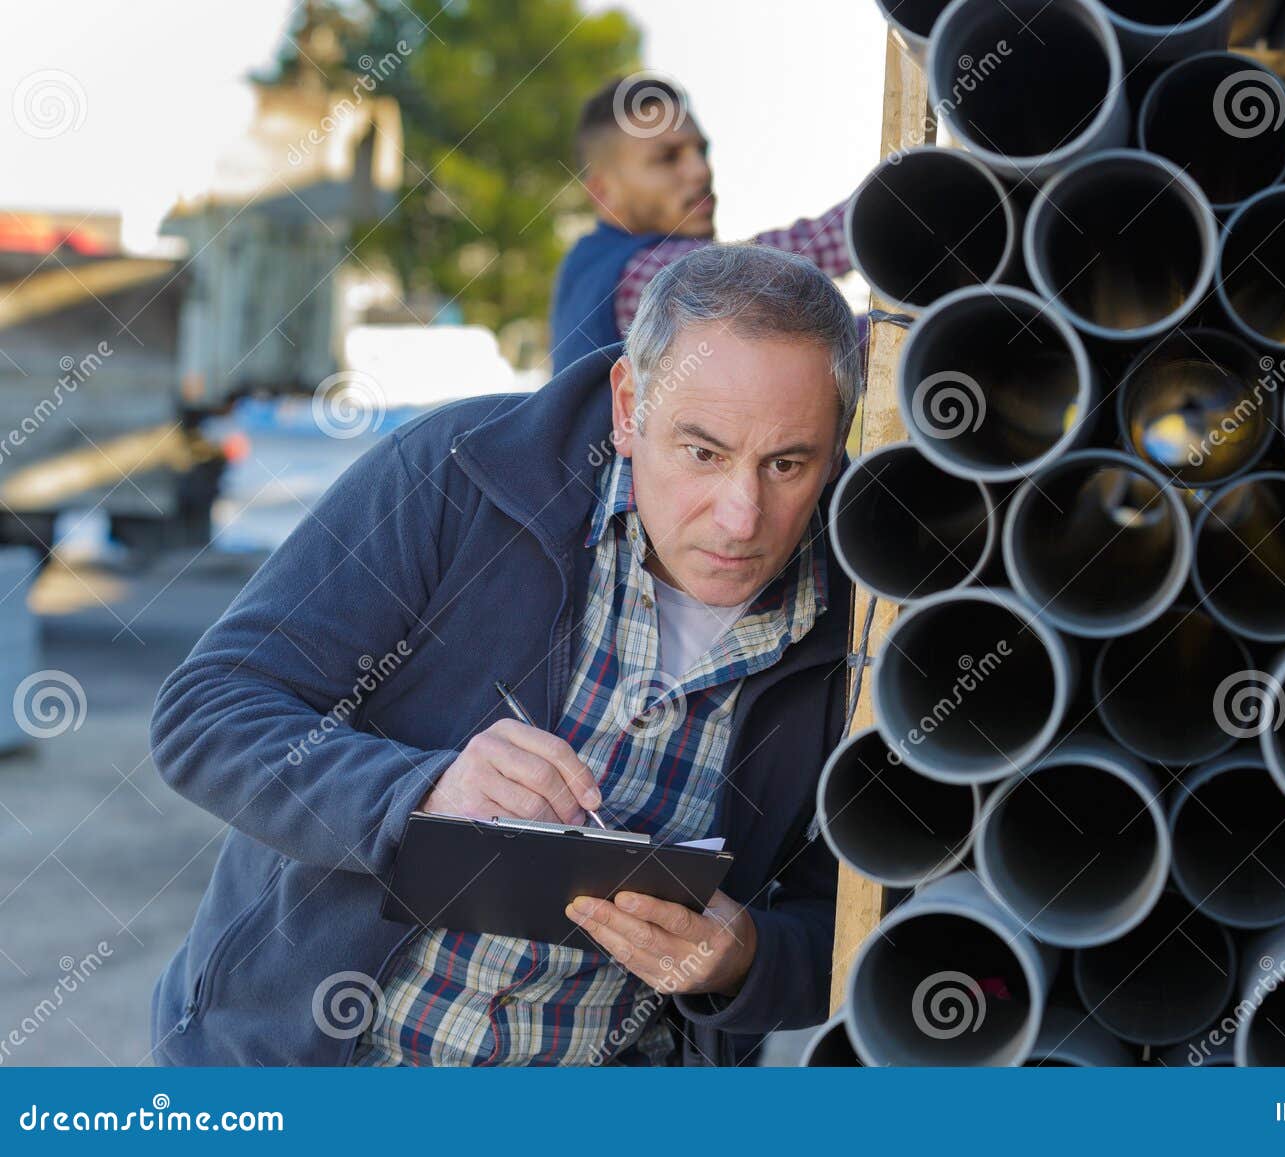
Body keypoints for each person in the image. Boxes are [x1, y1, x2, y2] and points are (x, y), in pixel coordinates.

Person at [148, 244, 860, 1066]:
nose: (742, 515)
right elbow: (208, 711)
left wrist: (749, 960)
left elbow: (860, 919)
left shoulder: (867, 622)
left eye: (787, 464)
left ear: (837, 446)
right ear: (629, 407)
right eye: (702, 452)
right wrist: (422, 791)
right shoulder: (456, 470)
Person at [549, 74, 852, 375]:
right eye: (667, 158)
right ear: (604, 193)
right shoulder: (633, 275)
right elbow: (764, 271)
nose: (700, 171)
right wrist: (883, 206)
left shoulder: (583, 270)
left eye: (701, 151)